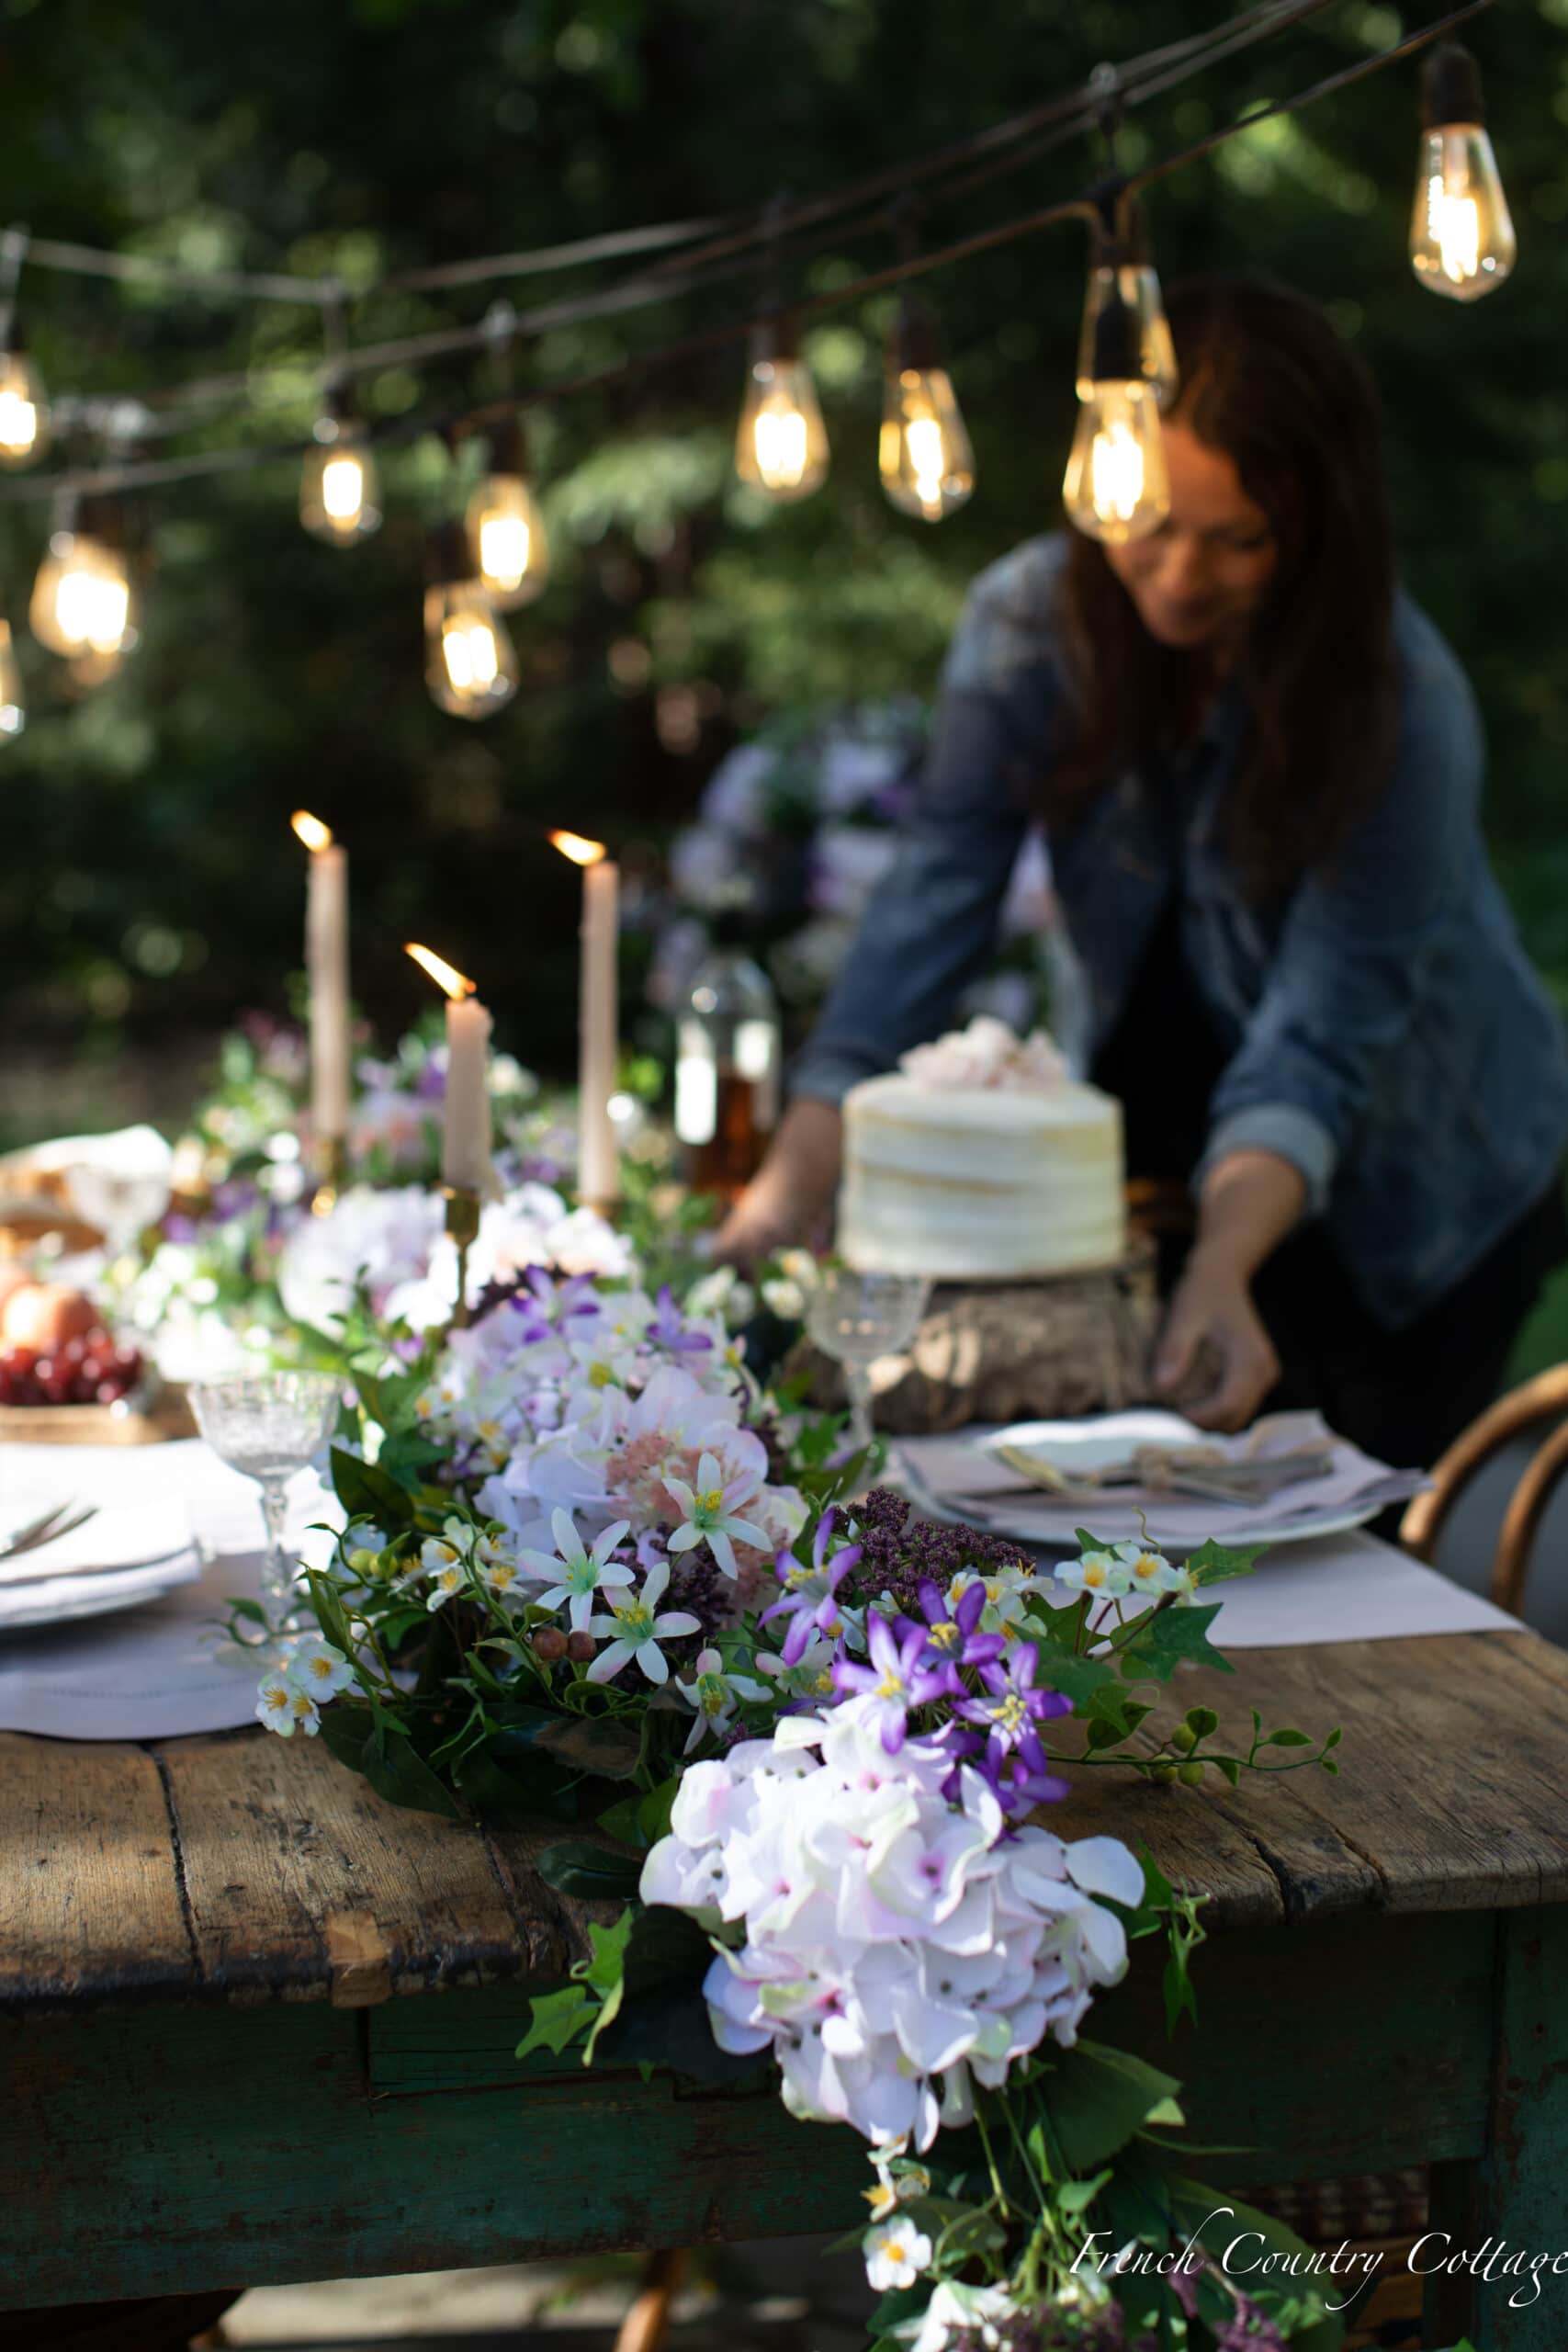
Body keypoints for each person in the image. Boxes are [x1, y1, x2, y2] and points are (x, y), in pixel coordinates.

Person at [714, 270, 1568, 1468]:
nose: (1176, 575)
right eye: (1150, 523)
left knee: (1343, 1536)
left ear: (1316, 529)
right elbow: (928, 905)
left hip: (1412, 1187)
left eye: (1238, 540)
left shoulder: (1402, 706)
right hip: (1167, 1162)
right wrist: (795, 1177)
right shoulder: (1028, 629)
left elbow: (1320, 1040)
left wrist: (1224, 1265)